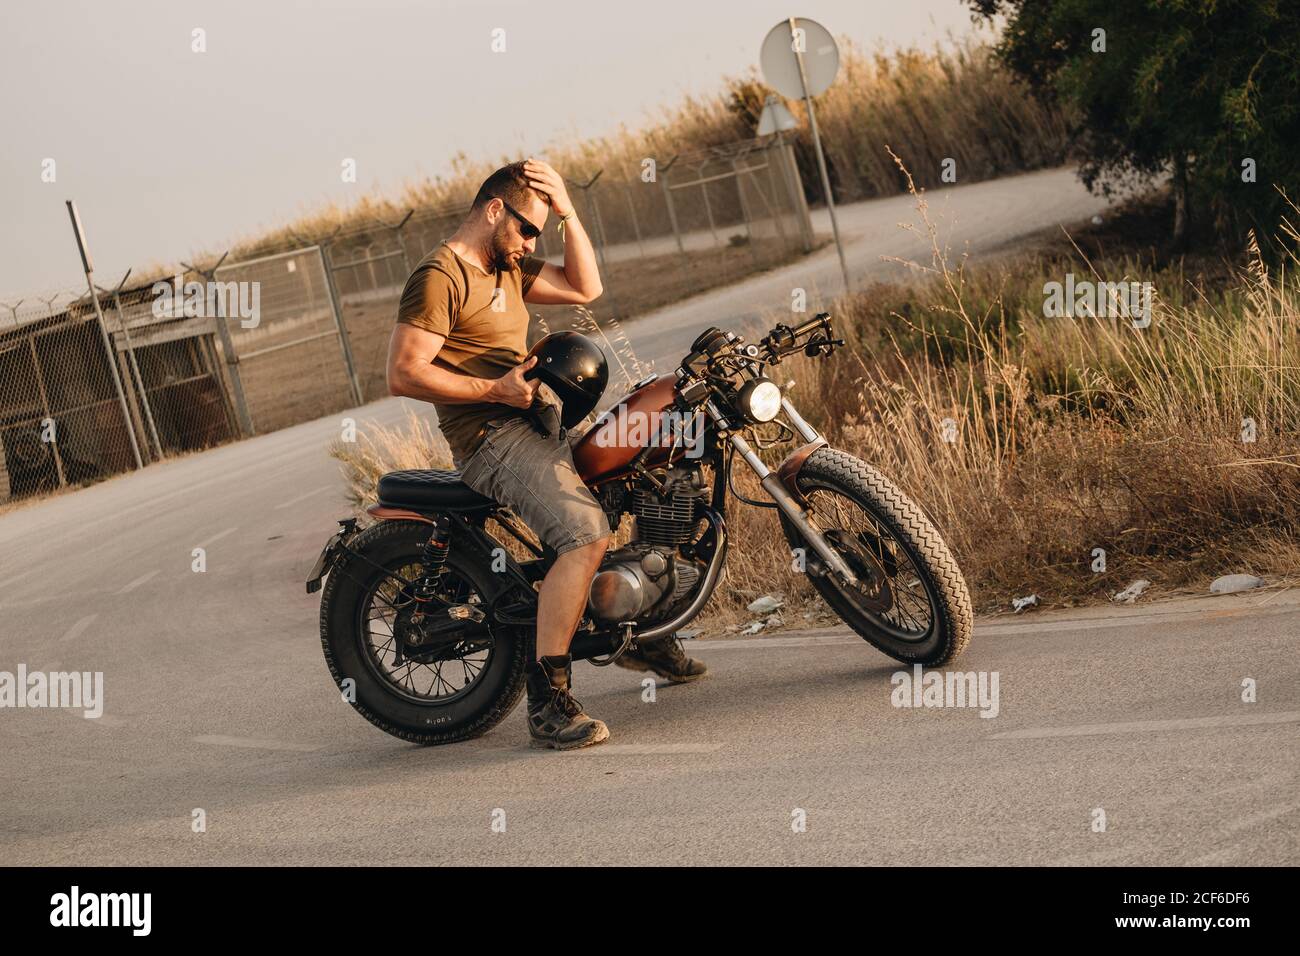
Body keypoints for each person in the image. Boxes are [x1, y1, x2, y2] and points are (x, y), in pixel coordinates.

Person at [386, 159, 705, 750]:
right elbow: (403, 373)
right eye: (527, 229)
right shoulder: (441, 276)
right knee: (585, 538)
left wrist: (568, 211)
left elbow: (586, 288)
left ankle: (640, 629)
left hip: (538, 422)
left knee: (638, 471)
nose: (533, 242)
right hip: (491, 439)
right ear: (492, 211)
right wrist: (493, 390)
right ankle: (549, 701)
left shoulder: (508, 266)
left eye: (540, 232)